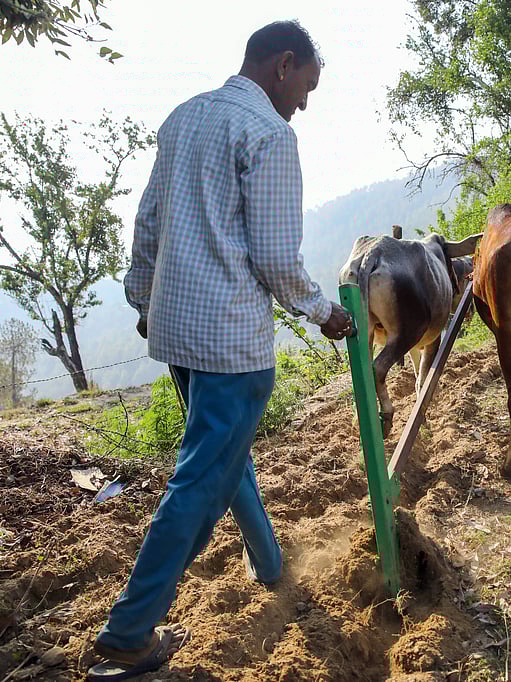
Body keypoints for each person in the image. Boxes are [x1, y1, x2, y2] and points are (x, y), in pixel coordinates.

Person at [86, 20, 354, 681]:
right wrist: (324, 313)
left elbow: (148, 225)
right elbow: (273, 257)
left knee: (226, 462)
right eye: (308, 87)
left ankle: (269, 566)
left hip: (178, 333)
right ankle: (127, 634)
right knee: (200, 482)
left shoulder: (183, 120)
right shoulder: (269, 134)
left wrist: (144, 302)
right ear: (284, 66)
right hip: (233, 346)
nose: (305, 103)